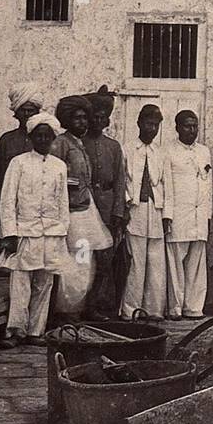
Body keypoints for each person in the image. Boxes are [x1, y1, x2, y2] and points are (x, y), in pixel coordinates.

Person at [0, 112, 69, 348]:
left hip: (51, 232)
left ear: (53, 139)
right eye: (39, 136)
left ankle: (36, 331)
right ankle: (16, 330)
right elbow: (7, 199)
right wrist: (9, 233)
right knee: (21, 282)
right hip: (24, 231)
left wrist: (62, 230)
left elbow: (63, 202)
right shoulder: (19, 163)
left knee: (44, 283)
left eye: (48, 136)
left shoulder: (59, 166)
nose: (44, 140)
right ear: (31, 138)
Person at [51, 95, 111, 315]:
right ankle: (67, 310)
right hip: (71, 211)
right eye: (77, 119)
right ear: (67, 120)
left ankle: (83, 306)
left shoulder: (79, 144)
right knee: (74, 262)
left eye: (85, 118)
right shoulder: (60, 143)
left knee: (85, 261)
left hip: (86, 210)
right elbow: (54, 176)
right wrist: (76, 184)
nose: (83, 123)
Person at [82, 86, 127, 319]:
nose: (98, 121)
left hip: (107, 208)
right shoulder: (79, 144)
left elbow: (120, 181)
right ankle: (79, 305)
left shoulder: (114, 147)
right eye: (94, 117)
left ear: (107, 120)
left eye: (102, 118)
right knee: (83, 258)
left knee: (105, 260)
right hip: (85, 208)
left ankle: (99, 305)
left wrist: (118, 211)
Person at [121, 105, 168, 320]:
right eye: (148, 124)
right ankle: (130, 310)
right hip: (135, 210)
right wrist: (125, 206)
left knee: (156, 262)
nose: (152, 129)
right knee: (136, 262)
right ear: (139, 123)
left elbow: (168, 186)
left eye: (156, 125)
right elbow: (122, 181)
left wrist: (167, 214)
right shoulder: (128, 149)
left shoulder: (161, 152)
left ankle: (153, 310)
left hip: (156, 211)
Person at [164, 108, 211, 321]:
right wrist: (167, 215)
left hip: (199, 216)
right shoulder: (168, 151)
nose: (192, 130)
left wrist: (208, 213)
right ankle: (175, 308)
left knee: (197, 264)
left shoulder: (204, 152)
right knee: (175, 264)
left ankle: (194, 308)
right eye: (187, 126)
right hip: (178, 215)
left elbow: (207, 184)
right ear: (177, 128)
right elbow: (167, 187)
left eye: (195, 126)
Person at [0, 83, 46, 242]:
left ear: (37, 112)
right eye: (23, 110)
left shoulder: (45, 140)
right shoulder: (7, 140)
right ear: (16, 112)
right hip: (10, 210)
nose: (27, 114)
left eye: (31, 110)